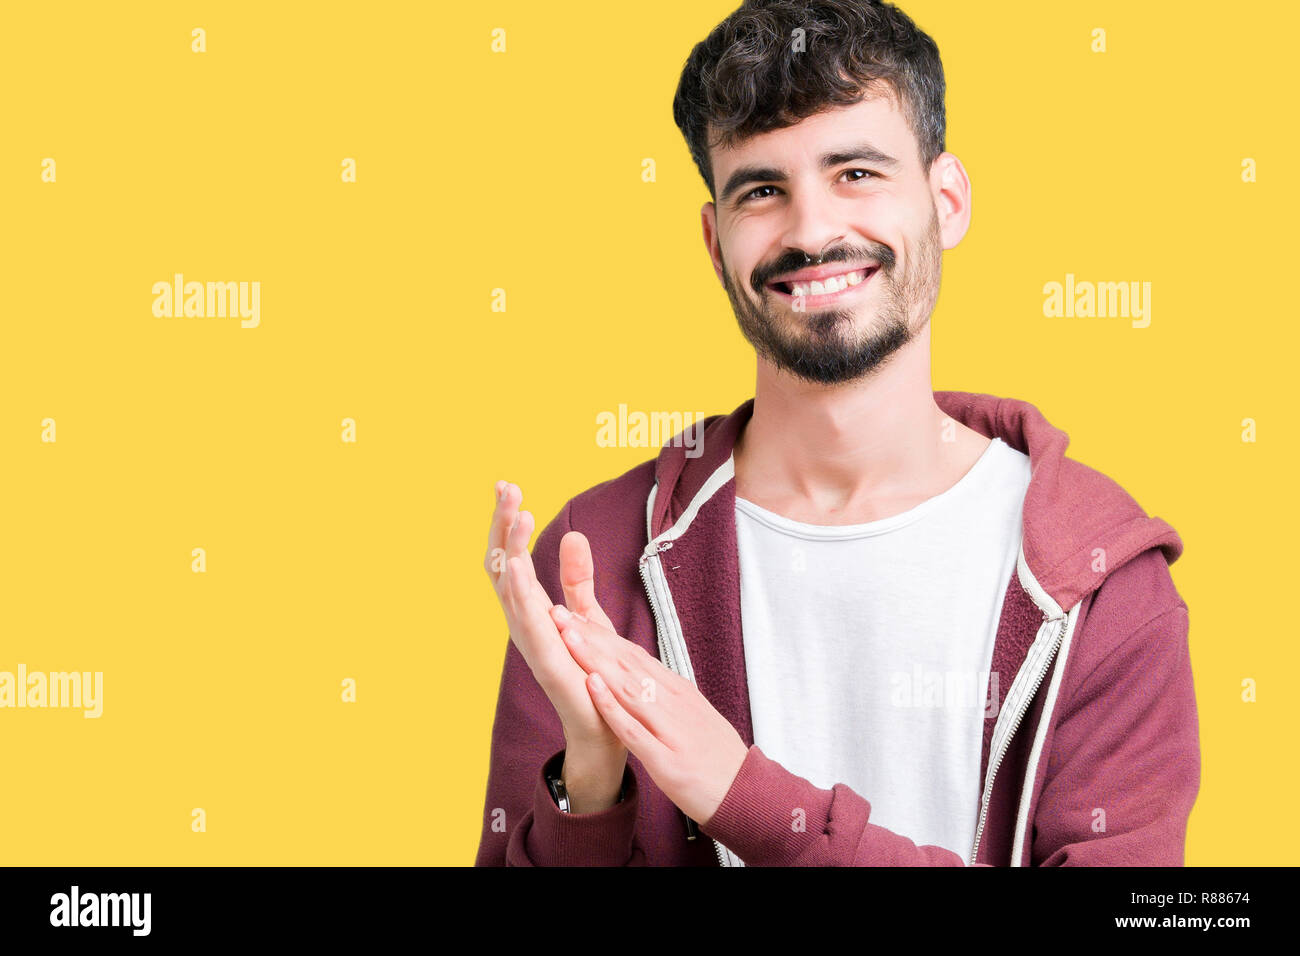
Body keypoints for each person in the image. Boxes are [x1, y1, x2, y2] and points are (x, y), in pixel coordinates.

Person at [475, 0, 1199, 866]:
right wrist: (590, 787)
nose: (813, 232)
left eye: (855, 172)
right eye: (762, 190)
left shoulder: (1100, 585)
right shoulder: (592, 563)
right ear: (715, 242)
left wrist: (748, 799)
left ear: (948, 201)